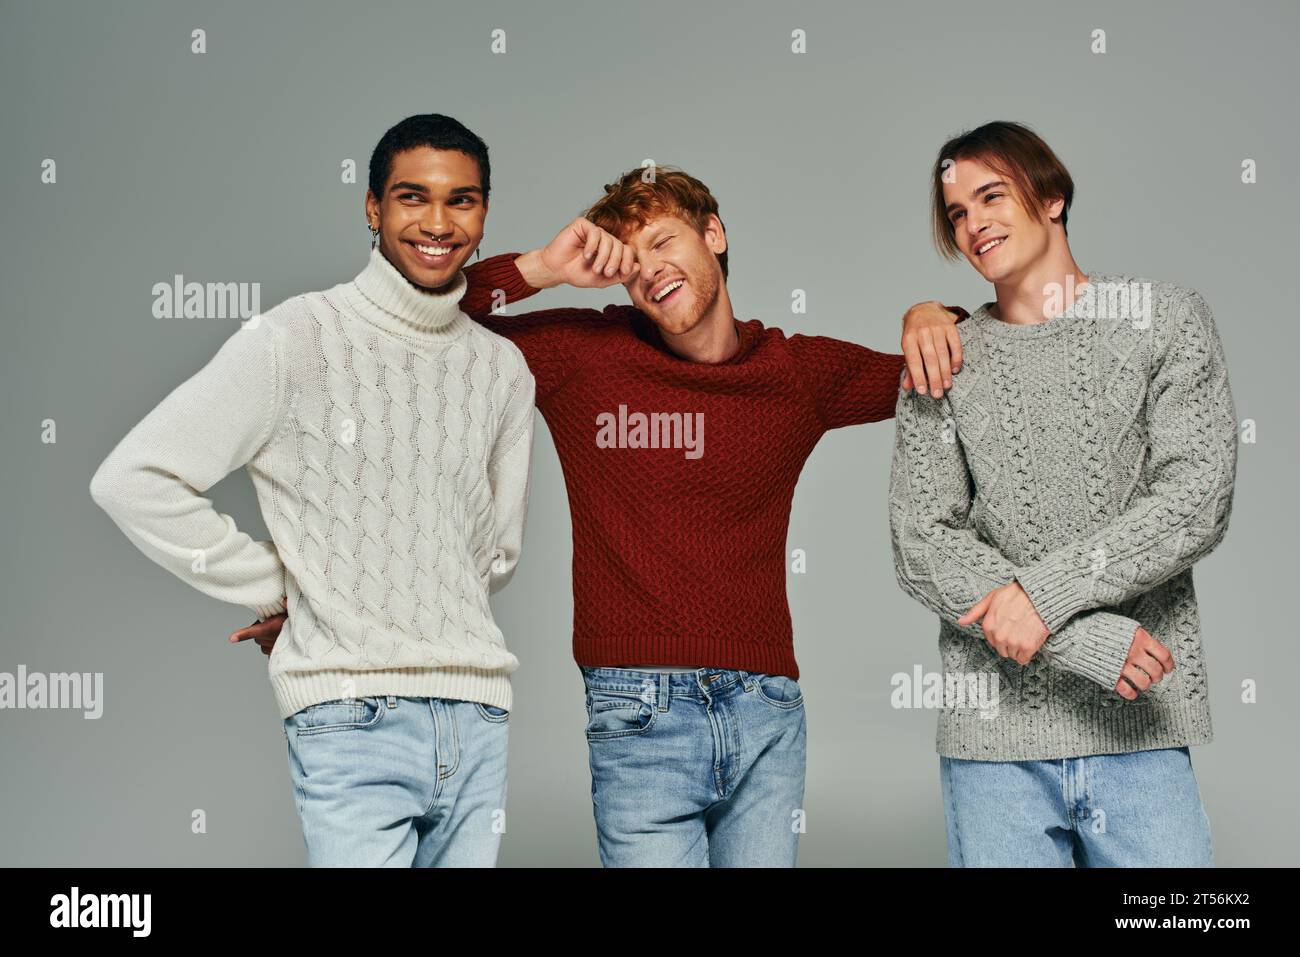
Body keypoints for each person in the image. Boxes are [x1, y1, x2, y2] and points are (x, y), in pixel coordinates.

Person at [90, 114, 546, 867]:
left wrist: (360, 583)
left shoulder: (502, 371)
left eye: (461, 200)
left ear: (484, 212)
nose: (437, 222)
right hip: (352, 715)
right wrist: (284, 587)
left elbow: (494, 555)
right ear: (372, 207)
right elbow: (132, 479)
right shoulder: (295, 339)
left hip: (478, 713)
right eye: (411, 197)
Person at [889, 120, 1237, 866]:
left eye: (991, 195)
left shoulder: (1165, 319)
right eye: (957, 213)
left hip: (1139, 728)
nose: (974, 223)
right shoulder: (941, 357)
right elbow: (923, 544)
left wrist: (1043, 599)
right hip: (993, 747)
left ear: (1051, 196)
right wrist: (1081, 639)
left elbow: (1197, 496)